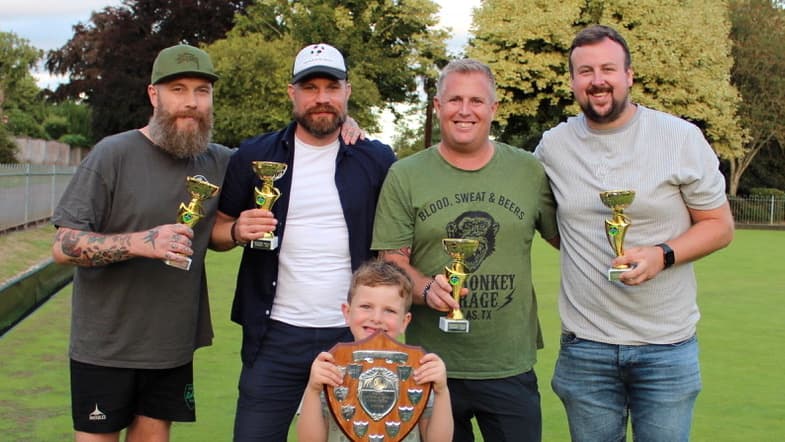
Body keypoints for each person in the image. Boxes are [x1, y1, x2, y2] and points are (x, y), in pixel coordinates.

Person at [534, 24, 735, 442]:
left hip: (667, 348)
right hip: (585, 347)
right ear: (573, 82)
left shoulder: (680, 138)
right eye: (585, 71)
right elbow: (554, 228)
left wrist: (662, 254)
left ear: (629, 76)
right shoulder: (552, 147)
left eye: (608, 68)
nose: (597, 80)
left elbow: (719, 226)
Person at [210, 42, 396, 441]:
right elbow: (216, 231)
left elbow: (396, 243)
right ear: (292, 93)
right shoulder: (254, 155)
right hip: (273, 334)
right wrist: (238, 231)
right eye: (310, 88)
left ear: (347, 91)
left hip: (353, 333)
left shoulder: (376, 159)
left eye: (332, 87)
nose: (322, 98)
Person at [371, 58, 560, 442]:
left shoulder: (530, 171)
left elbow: (565, 239)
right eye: (454, 99)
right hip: (431, 365)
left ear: (494, 109)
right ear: (438, 106)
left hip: (507, 363)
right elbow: (390, 260)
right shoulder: (405, 175)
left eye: (476, 100)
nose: (464, 110)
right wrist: (424, 289)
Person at [51, 44, 232, 441]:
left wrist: (343, 124)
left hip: (170, 345)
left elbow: (282, 155)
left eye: (202, 91)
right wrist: (141, 242)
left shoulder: (217, 161)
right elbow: (63, 246)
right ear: (154, 95)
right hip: (106, 344)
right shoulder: (111, 154)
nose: (191, 102)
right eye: (178, 90)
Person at [297, 260, 453, 442]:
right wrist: (313, 389)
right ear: (347, 312)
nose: (376, 318)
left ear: (405, 321)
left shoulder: (417, 370)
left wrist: (442, 391)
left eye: (389, 311)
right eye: (366, 307)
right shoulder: (331, 368)